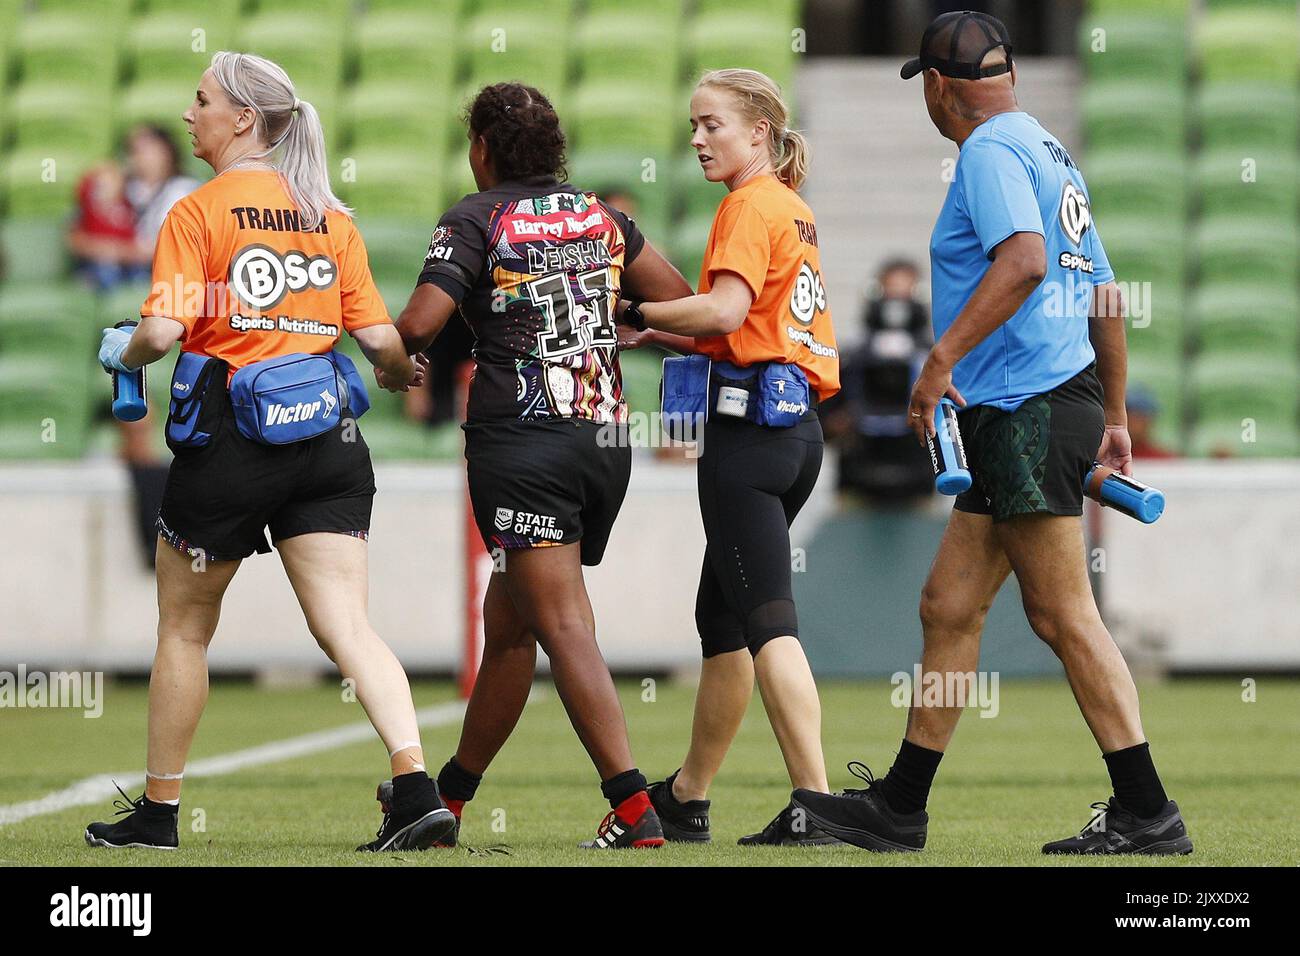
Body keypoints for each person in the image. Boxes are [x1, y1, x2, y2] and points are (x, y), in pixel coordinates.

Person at [792, 12, 1192, 855]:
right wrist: (1114, 417)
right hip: (1051, 402)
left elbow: (1025, 261)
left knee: (1062, 615)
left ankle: (1149, 812)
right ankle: (901, 808)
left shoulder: (987, 153)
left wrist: (939, 361)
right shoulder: (1052, 151)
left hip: (1026, 407)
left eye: (926, 90)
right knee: (949, 606)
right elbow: (1106, 294)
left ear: (939, 86)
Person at [86, 51, 451, 853]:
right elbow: (383, 342)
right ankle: (417, 787)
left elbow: (162, 331)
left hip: (232, 438)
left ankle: (158, 814)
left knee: (184, 629)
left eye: (202, 99)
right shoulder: (332, 213)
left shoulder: (197, 211)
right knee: (351, 629)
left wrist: (121, 355)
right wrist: (394, 376)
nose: (190, 115)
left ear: (244, 119)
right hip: (328, 438)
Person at [385, 82, 695, 849]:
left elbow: (420, 324)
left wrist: (392, 359)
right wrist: (619, 316)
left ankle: (634, 810)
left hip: (524, 442)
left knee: (560, 622)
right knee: (511, 625)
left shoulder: (476, 216)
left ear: (483, 148)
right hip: (605, 439)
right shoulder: (603, 217)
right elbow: (684, 304)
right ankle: (445, 805)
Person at [616, 69, 843, 845]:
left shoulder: (749, 203)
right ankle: (687, 797)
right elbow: (745, 329)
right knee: (724, 619)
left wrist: (631, 308)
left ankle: (816, 802)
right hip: (795, 430)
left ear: (758, 131)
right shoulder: (790, 206)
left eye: (712, 123)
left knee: (769, 619)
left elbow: (725, 309)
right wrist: (662, 335)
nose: (697, 138)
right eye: (693, 125)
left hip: (750, 438)